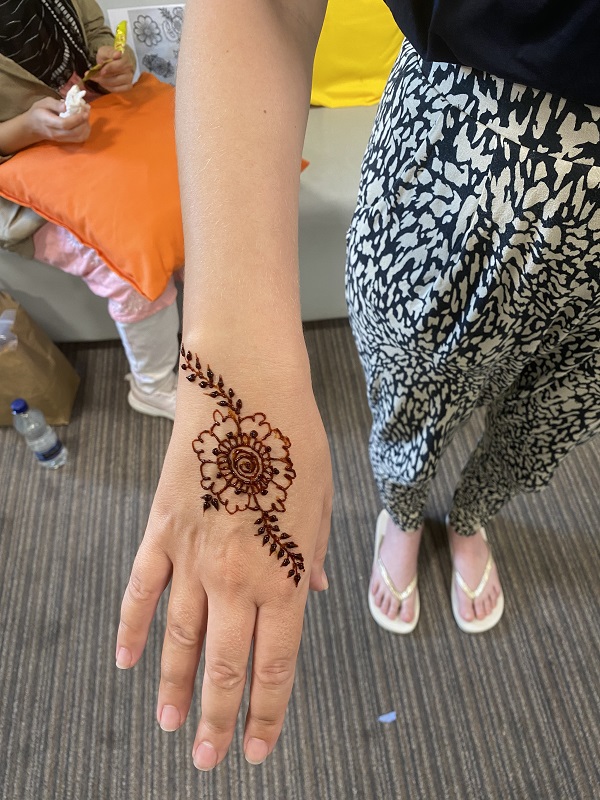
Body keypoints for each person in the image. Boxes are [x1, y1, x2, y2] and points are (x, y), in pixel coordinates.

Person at [114, 0, 599, 772]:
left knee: (550, 423)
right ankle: (402, 514)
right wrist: (233, 357)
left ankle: (472, 514)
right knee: (409, 400)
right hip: (458, 166)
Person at [0, 0, 180, 420]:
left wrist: (114, 62)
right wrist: (26, 127)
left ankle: (207, 329)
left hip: (102, 121)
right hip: (21, 166)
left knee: (206, 192)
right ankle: (153, 387)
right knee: (130, 265)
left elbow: (97, 32)